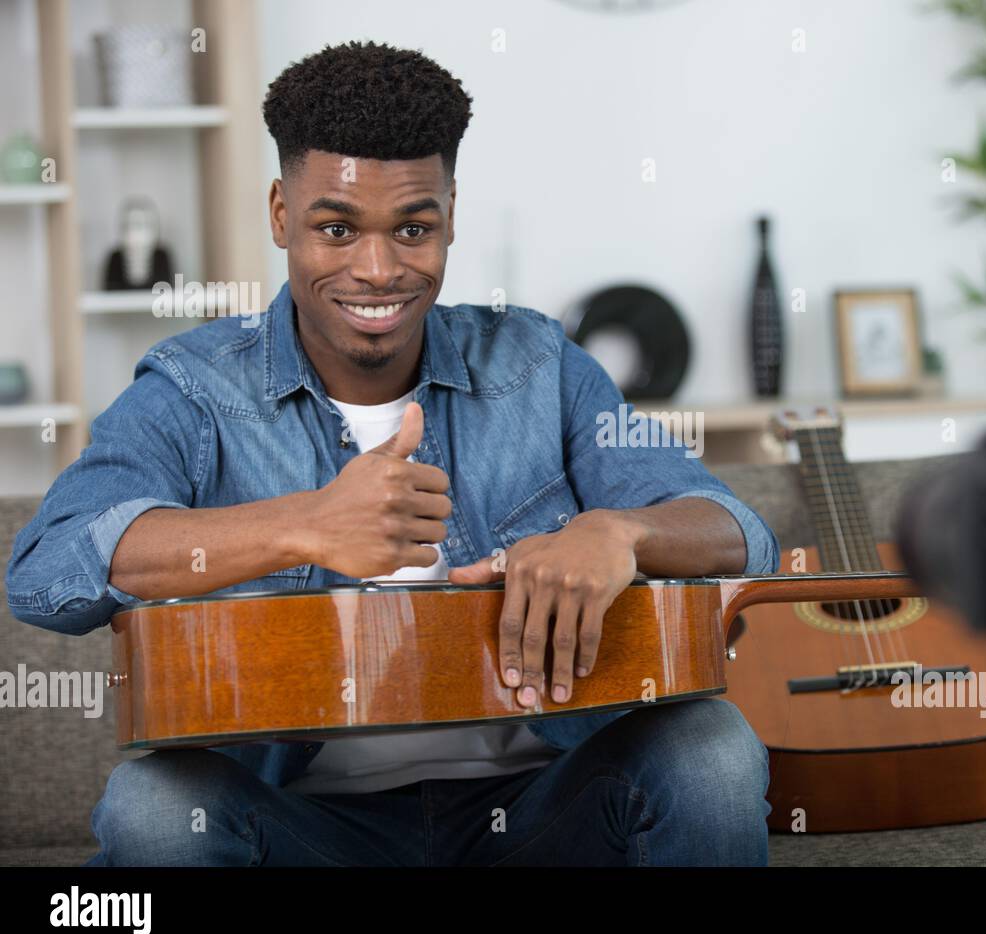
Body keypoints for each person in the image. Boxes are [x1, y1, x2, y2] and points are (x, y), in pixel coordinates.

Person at [5, 41, 779, 866]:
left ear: (450, 213)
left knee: (709, 746)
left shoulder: (537, 365)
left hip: (541, 817)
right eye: (335, 228)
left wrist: (621, 534)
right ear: (279, 213)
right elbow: (46, 574)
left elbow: (738, 531)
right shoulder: (194, 388)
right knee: (154, 806)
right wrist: (303, 524)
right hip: (305, 830)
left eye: (413, 228)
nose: (377, 270)